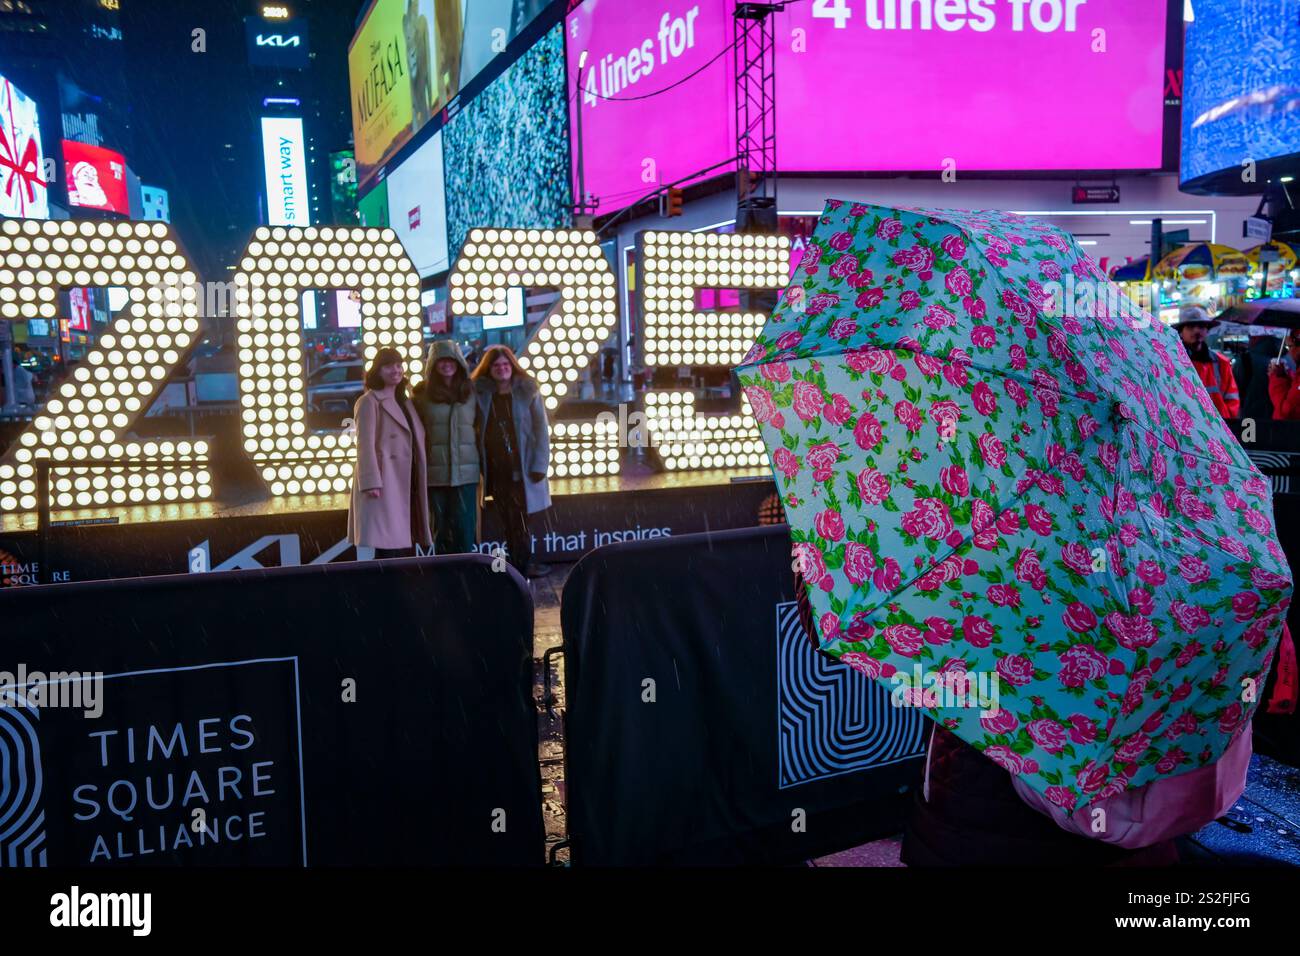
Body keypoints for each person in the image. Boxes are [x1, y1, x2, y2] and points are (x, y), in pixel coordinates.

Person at [472, 345, 551, 578]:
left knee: (520, 519)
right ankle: (517, 563)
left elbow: (541, 430)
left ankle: (521, 563)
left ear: (512, 365)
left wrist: (539, 465)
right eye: (496, 365)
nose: (502, 369)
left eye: (506, 364)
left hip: (524, 468)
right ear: (489, 369)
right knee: (507, 519)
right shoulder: (480, 394)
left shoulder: (529, 391)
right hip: (496, 469)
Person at [347, 347, 432, 558]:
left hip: (407, 479)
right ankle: (389, 588)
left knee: (404, 542)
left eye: (398, 365)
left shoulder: (406, 402)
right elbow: (364, 445)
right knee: (389, 547)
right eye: (388, 366)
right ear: (377, 371)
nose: (395, 370)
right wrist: (371, 482)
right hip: (386, 481)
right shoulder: (368, 401)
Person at [412, 339, 481, 555]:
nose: (446, 365)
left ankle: (465, 578)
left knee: (464, 531)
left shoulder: (472, 392)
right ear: (432, 364)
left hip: (466, 474)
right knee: (440, 530)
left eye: (451, 360)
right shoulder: (422, 396)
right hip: (435, 475)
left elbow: (481, 426)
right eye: (441, 361)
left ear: (459, 362)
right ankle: (444, 579)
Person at [1174, 305, 1239, 419]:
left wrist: (1225, 423)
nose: (1197, 330)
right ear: (1181, 332)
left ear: (1207, 331)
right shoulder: (1173, 361)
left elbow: (1232, 399)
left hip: (1218, 428)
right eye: (1191, 326)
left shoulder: (1221, 363)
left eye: (1201, 326)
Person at [1234, 327, 1286, 422]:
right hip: (1284, 425)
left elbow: (1235, 392)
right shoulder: (1291, 360)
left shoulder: (1245, 360)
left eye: (1250, 336)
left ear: (1255, 337)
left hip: (1250, 423)